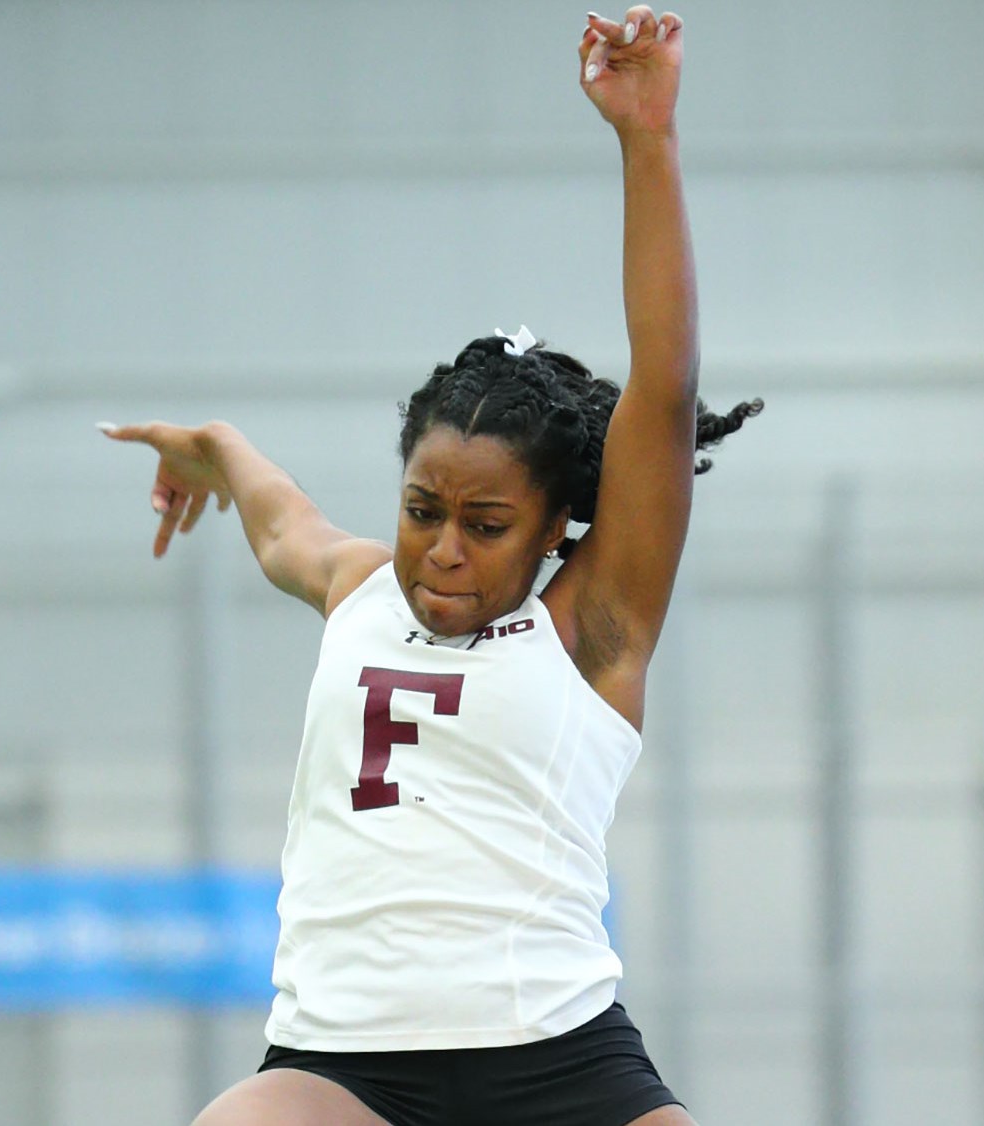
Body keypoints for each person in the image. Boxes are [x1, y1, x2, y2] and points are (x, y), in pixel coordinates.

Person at [102, 9, 757, 1125]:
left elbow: (663, 376)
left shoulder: (591, 627)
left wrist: (646, 139)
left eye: (486, 523)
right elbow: (277, 515)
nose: (442, 548)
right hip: (343, 1067)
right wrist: (206, 449)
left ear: (556, 528)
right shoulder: (356, 586)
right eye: (421, 511)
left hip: (557, 1063)